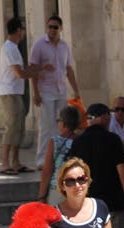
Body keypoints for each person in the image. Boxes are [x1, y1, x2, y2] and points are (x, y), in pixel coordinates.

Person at [71, 102, 124, 228]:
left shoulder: (77, 142)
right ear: (104, 117)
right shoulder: (113, 140)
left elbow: (72, 178)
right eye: (109, 116)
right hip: (112, 205)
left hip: (87, 207)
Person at [29, 14, 80, 169]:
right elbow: (32, 69)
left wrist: (76, 91)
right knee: (46, 126)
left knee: (63, 126)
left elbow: (69, 69)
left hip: (61, 91)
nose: (52, 30)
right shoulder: (39, 45)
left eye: (55, 27)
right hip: (45, 91)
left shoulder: (65, 46)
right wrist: (36, 93)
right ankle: (41, 160)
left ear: (61, 29)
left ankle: (60, 158)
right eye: (49, 26)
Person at [0, 17, 41, 175]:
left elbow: (21, 69)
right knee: (12, 127)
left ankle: (15, 161)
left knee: (19, 128)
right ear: (18, 31)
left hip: (15, 92)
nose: (23, 32)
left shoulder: (13, 48)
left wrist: (38, 68)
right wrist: (37, 73)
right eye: (22, 29)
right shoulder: (9, 48)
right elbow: (19, 73)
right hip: (9, 92)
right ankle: (4, 163)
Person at [36, 104, 81, 204]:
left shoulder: (55, 142)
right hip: (77, 189)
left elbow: (47, 171)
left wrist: (42, 195)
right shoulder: (82, 141)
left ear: (63, 123)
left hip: (57, 189)